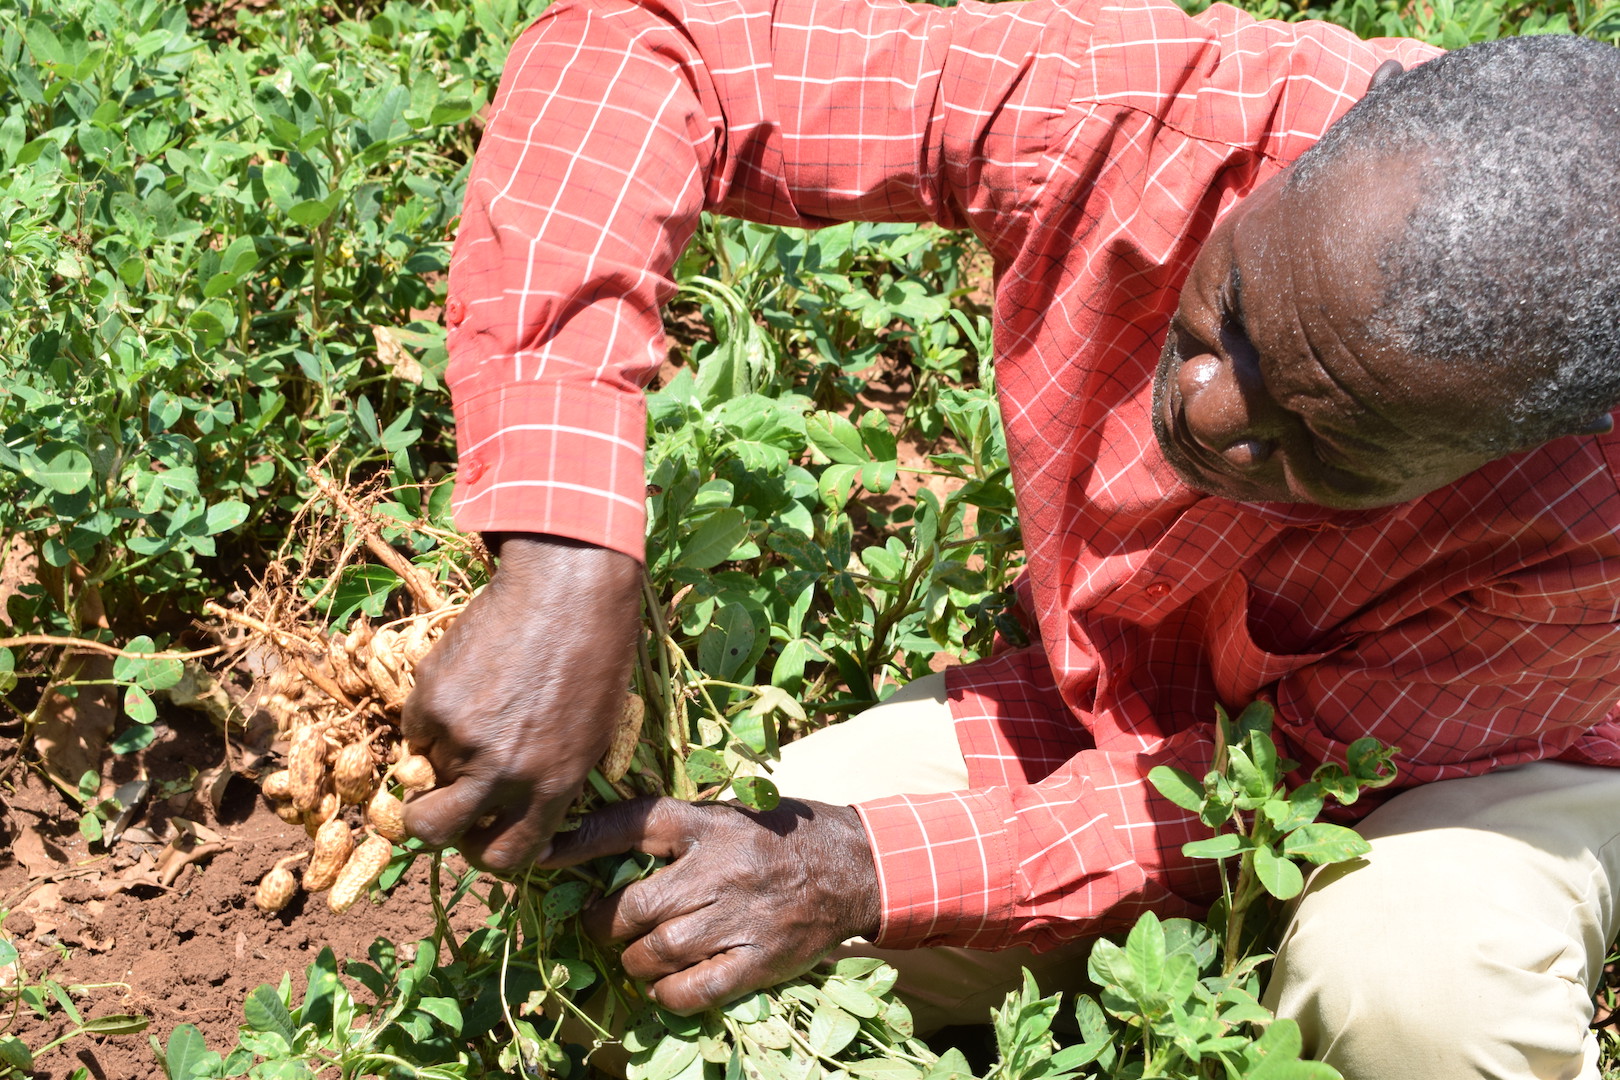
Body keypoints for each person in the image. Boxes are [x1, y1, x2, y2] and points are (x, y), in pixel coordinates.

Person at [396, 0, 1620, 1071]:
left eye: (1324, 441)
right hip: (1124, 701)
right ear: (1332, 140)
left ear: (1522, 439)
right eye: (1239, 315)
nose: (1207, 411)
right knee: (669, 920)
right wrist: (565, 544)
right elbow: (647, 50)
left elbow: (1281, 783)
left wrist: (861, 870)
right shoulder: (1168, 112)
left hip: (1462, 774)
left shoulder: (1593, 517)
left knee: (1410, 990)